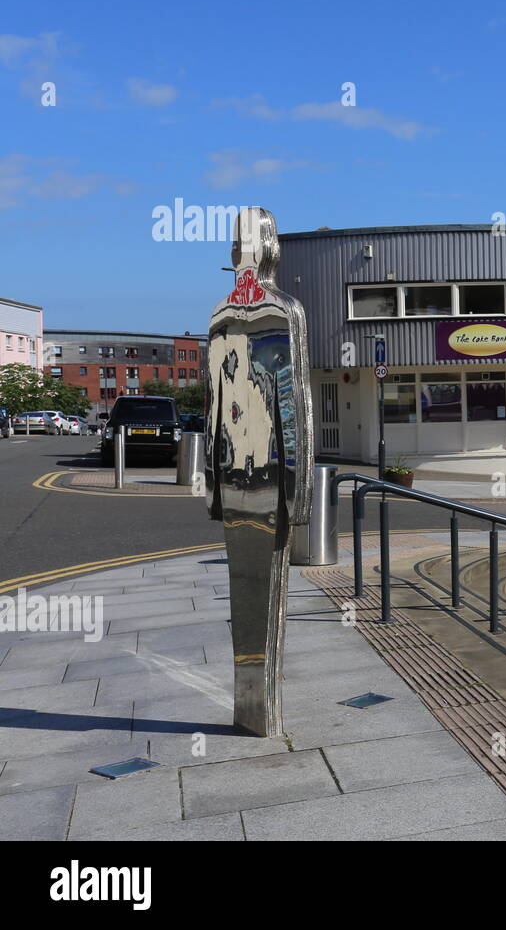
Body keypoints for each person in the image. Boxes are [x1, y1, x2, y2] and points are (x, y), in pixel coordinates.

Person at [206, 207, 314, 737]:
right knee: (259, 589)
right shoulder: (281, 310)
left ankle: (253, 706)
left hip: (233, 474)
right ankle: (255, 708)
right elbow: (293, 407)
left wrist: (211, 485)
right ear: (274, 249)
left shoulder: (219, 314)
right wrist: (299, 490)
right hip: (269, 477)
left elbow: (211, 409)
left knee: (247, 585)